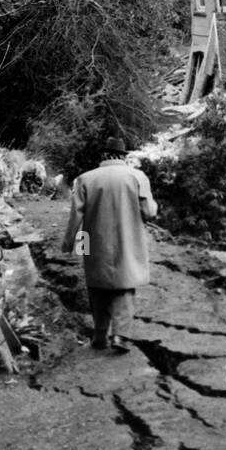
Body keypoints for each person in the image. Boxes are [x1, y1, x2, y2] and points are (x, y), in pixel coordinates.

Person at [61, 137, 158, 353]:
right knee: (124, 288)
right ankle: (120, 336)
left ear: (104, 156)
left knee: (97, 289)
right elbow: (149, 212)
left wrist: (70, 244)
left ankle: (100, 336)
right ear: (123, 157)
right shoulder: (137, 177)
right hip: (129, 241)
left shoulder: (85, 179)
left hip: (94, 241)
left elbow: (75, 216)